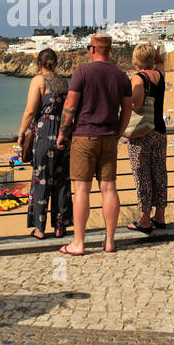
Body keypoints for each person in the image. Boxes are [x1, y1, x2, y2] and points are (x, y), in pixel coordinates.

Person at [56, 34, 133, 255]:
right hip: (109, 136)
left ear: (92, 49)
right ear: (110, 50)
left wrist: (63, 132)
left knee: (81, 189)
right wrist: (118, 133)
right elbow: (127, 110)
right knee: (109, 188)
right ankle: (109, 241)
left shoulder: (82, 71)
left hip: (84, 135)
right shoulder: (121, 76)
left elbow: (70, 104)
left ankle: (79, 243)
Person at [16, 48, 72, 239]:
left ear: (39, 64)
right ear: (55, 64)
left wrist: (20, 134)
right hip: (64, 135)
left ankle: (40, 229)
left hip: (45, 133)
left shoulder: (39, 80)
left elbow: (30, 110)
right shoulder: (64, 82)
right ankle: (60, 227)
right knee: (62, 182)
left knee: (41, 180)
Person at [125, 44, 169, 233]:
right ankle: (159, 216)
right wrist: (151, 49)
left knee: (142, 174)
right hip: (160, 130)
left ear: (135, 60)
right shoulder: (160, 75)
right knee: (159, 172)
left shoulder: (138, 77)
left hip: (142, 133)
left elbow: (136, 102)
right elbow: (160, 61)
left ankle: (144, 219)